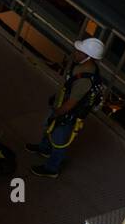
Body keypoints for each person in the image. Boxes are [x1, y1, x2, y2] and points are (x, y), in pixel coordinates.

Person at [27, 37, 107, 179]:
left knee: (59, 141)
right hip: (62, 105)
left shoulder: (85, 79)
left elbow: (71, 103)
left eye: (79, 51)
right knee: (49, 127)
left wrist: (57, 112)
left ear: (88, 57)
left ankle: (52, 169)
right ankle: (45, 148)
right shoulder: (83, 66)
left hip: (67, 114)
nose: (75, 52)